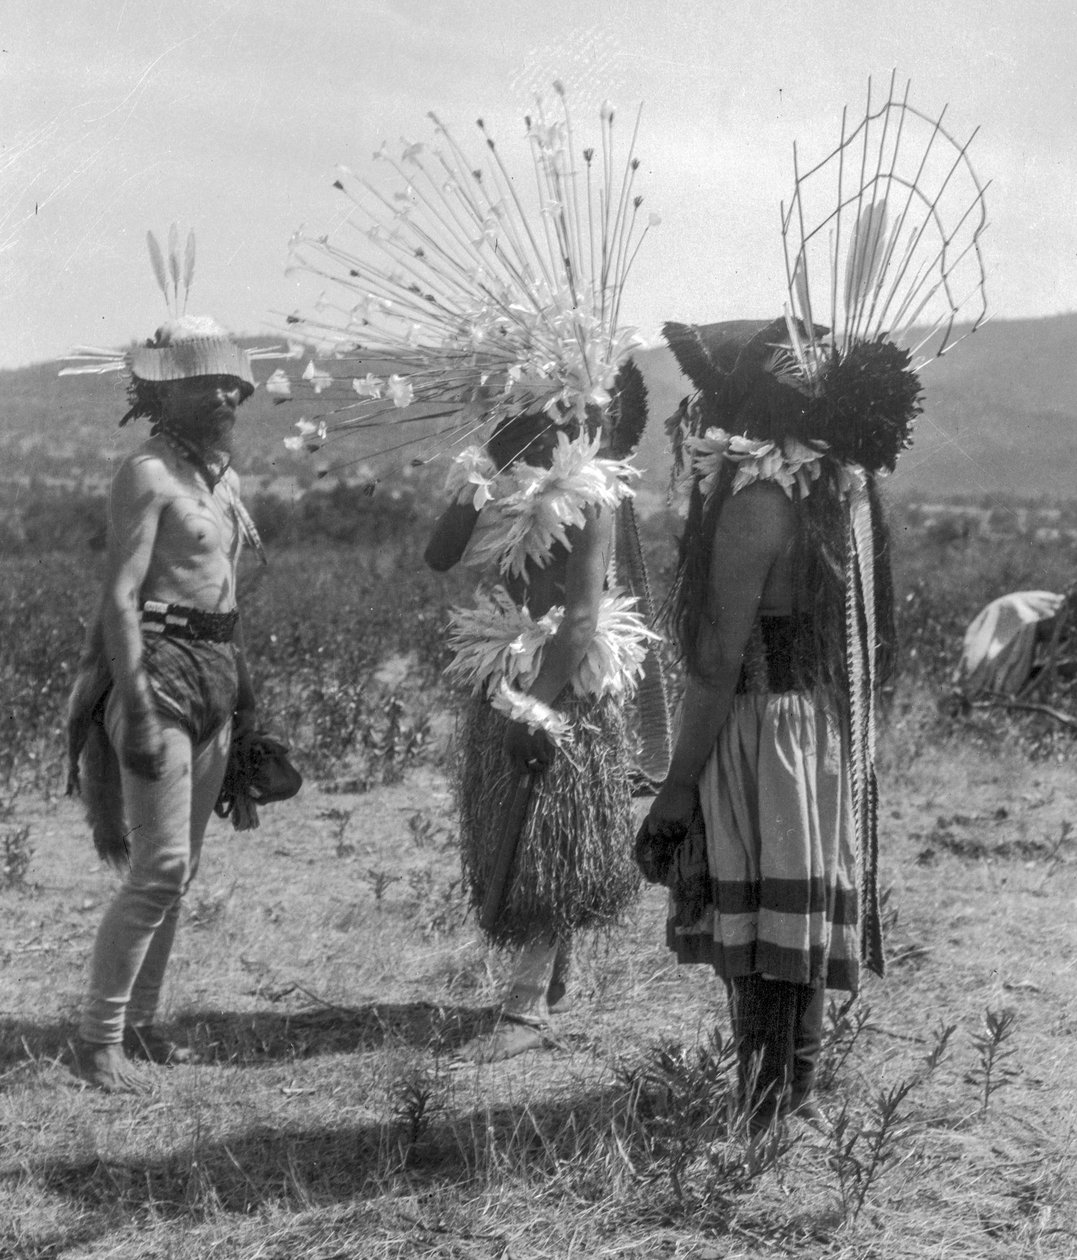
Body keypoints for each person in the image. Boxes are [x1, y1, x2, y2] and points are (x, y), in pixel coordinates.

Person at [638, 316, 904, 1137]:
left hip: (764, 733)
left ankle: (764, 1112)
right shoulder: (842, 491)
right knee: (797, 919)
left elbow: (716, 663)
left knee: (760, 930)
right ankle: (792, 1097)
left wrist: (675, 790)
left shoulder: (756, 503)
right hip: (819, 732)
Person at [66, 308, 265, 1092]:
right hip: (158, 671)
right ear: (166, 392)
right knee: (160, 867)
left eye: (232, 384)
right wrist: (140, 707)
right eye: (207, 384)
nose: (226, 398)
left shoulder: (224, 480)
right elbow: (119, 599)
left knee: (180, 871)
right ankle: (97, 1041)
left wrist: (246, 705)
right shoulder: (146, 472)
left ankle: (142, 1024)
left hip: (215, 669)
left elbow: (223, 596)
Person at [425, 405, 653, 1061]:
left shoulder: (590, 497)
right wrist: (475, 479)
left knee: (544, 838)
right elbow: (439, 556)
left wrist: (540, 707)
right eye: (505, 420)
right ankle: (553, 978)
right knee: (525, 832)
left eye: (534, 421)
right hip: (508, 666)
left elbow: (580, 617)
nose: (518, 433)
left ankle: (524, 1008)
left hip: (560, 680)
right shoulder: (495, 483)